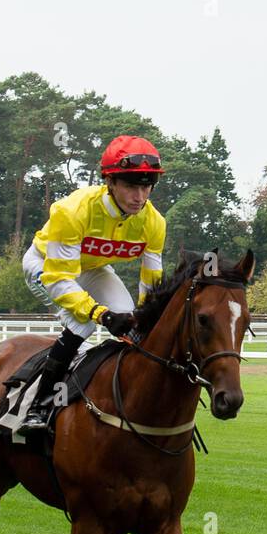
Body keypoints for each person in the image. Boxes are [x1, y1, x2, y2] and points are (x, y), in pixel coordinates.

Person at [18, 134, 167, 431]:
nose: (139, 197)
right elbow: (60, 279)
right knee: (83, 322)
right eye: (130, 186)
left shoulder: (154, 222)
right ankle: (38, 404)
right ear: (110, 182)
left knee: (132, 324)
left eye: (146, 186)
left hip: (93, 270)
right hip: (47, 266)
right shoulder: (71, 211)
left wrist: (143, 320)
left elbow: (150, 286)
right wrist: (101, 314)